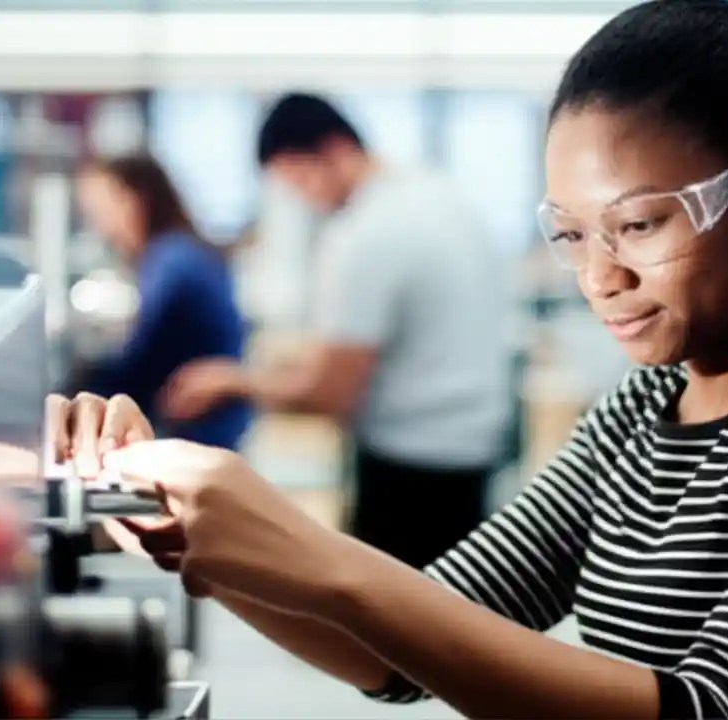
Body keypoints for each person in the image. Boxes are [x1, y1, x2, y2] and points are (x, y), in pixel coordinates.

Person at [49, 3, 728, 718]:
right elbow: (401, 647)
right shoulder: (643, 411)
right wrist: (182, 535)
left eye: (638, 225)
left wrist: (300, 549)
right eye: (573, 235)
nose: (602, 277)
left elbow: (722, 711)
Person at [161, 93, 512, 569]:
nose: (304, 198)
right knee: (454, 615)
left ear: (335, 150)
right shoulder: (439, 195)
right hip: (472, 453)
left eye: (300, 179)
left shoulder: (365, 233)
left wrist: (234, 382)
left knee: (389, 627)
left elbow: (330, 394)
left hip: (408, 473)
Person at [65, 154, 250, 463]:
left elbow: (140, 364)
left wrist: (69, 399)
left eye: (101, 209)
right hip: (211, 434)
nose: (99, 226)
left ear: (137, 199)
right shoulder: (179, 253)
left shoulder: (172, 262)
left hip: (197, 437)